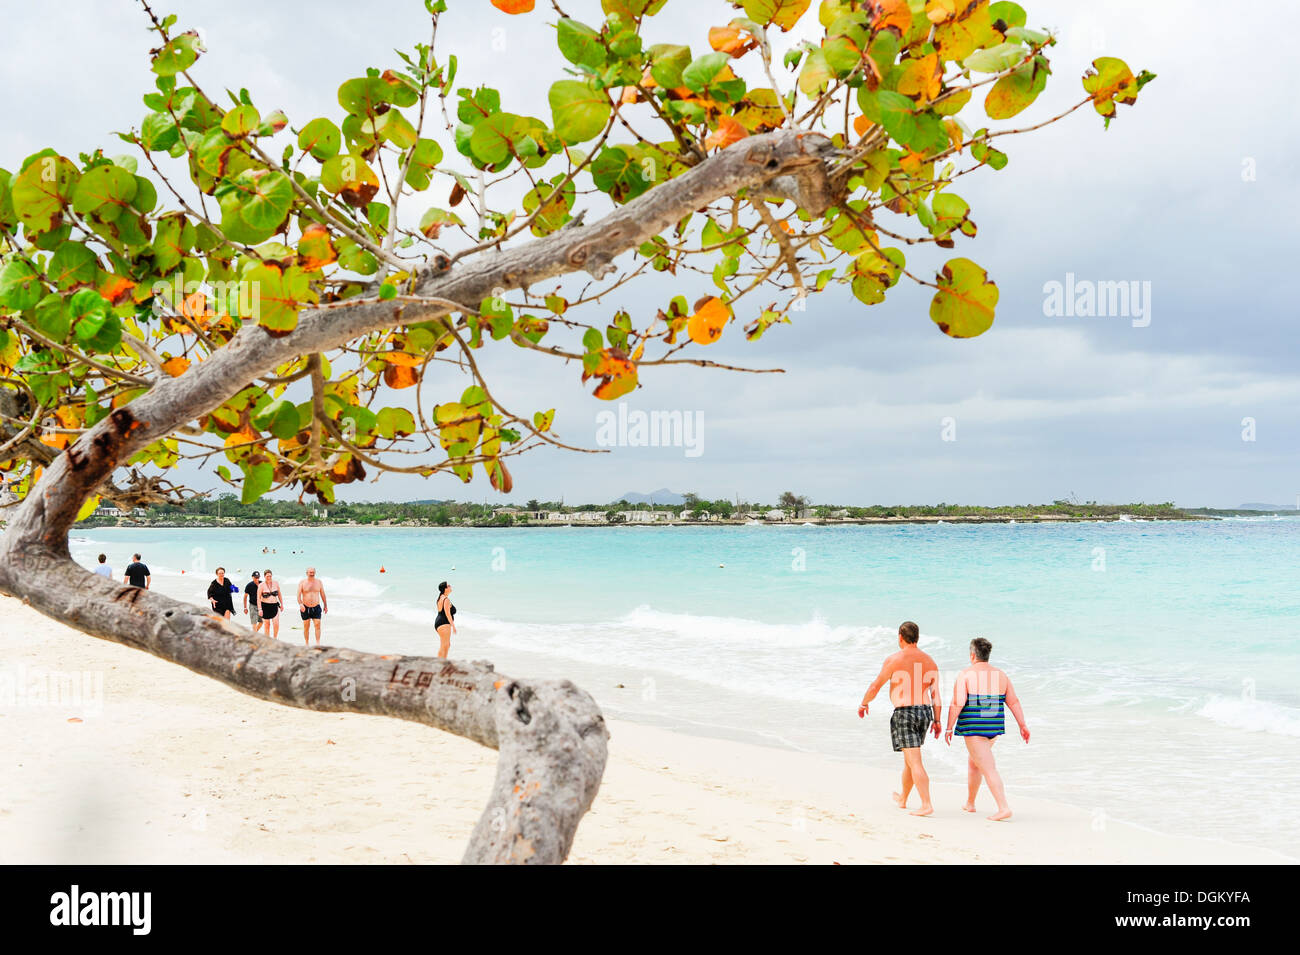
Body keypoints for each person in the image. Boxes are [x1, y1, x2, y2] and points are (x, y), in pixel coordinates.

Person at [857, 621, 942, 817]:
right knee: (909, 761)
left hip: (905, 713)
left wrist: (864, 703)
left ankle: (926, 804)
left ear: (900, 637)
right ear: (917, 637)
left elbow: (874, 687)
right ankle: (903, 798)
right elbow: (936, 695)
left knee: (915, 761)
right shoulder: (930, 661)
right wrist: (937, 720)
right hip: (925, 712)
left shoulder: (894, 659)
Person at [944, 637, 1030, 822]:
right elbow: (1013, 701)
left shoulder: (966, 674)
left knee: (988, 767)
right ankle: (970, 803)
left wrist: (949, 727)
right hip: (993, 728)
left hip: (975, 728)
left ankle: (1003, 807)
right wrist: (1022, 725)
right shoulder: (1001, 675)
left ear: (972, 655)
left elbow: (957, 703)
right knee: (974, 762)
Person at [297, 567, 327, 645]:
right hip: (305, 607)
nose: (312, 573)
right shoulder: (302, 582)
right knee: (306, 627)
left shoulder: (319, 582)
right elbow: (298, 595)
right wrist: (300, 604)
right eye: (310, 572)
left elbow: (323, 594)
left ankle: (318, 643)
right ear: (307, 573)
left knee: (317, 625)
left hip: (316, 607)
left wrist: (325, 605)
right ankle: (307, 643)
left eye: (313, 572)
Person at [434, 581, 457, 658]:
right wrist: (453, 626)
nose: (450, 586)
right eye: (449, 585)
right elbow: (448, 614)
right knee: (445, 645)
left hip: (439, 623)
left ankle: (441, 662)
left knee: (445, 645)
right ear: (445, 589)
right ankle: (442, 663)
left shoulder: (440, 598)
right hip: (444, 624)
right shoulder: (446, 599)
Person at [258, 569, 282, 640]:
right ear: (264, 576)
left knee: (276, 624)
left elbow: (279, 594)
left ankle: (275, 639)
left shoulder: (276, 583)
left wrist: (282, 604)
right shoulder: (261, 585)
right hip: (265, 606)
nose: (269, 577)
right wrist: (260, 609)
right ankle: (267, 640)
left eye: (270, 576)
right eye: (267, 576)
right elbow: (258, 598)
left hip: (274, 606)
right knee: (267, 625)